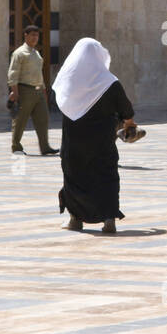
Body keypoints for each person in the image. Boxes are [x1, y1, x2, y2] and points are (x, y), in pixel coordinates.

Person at [54, 38, 138, 234]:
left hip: (74, 142)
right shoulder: (110, 82)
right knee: (105, 176)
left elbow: (59, 102)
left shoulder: (68, 81)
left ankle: (75, 219)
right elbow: (127, 110)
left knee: (75, 177)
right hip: (102, 142)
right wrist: (129, 124)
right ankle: (109, 220)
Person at [8, 26, 57, 155]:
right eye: (32, 35)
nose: (35, 38)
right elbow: (13, 73)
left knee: (43, 119)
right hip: (25, 90)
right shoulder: (19, 53)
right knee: (20, 120)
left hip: (38, 91)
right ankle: (16, 147)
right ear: (26, 35)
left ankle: (45, 147)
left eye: (37, 35)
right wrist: (14, 91)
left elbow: (39, 74)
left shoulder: (36, 53)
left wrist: (44, 91)